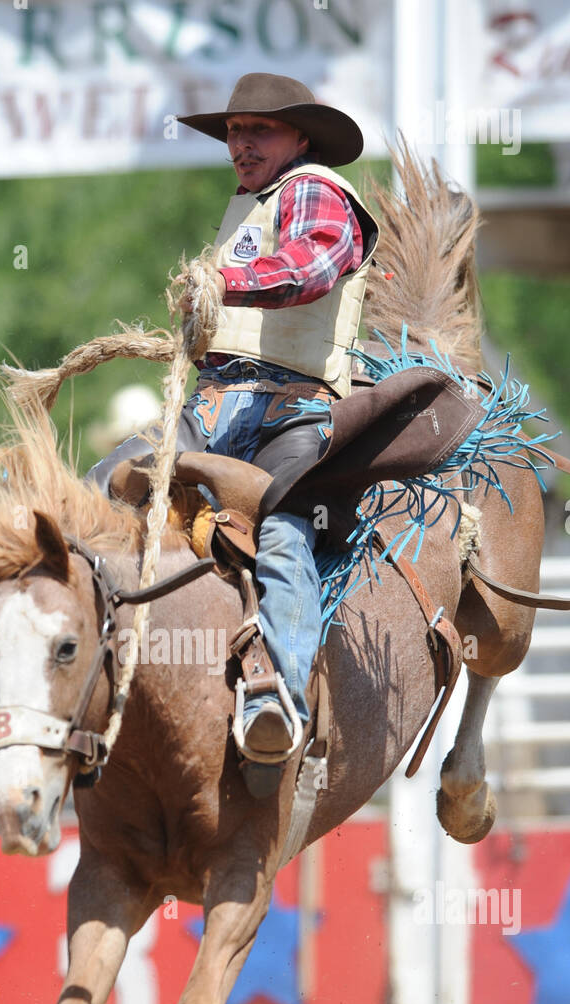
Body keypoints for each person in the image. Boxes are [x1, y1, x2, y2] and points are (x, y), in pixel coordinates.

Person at [86, 72, 379, 778]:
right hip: (218, 408)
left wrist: (223, 285)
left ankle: (276, 693)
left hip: (292, 411)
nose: (241, 144)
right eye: (234, 131)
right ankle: (77, 674)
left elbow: (314, 264)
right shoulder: (251, 205)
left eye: (259, 130)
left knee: (281, 527)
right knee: (101, 488)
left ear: (300, 139)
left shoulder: (312, 188)